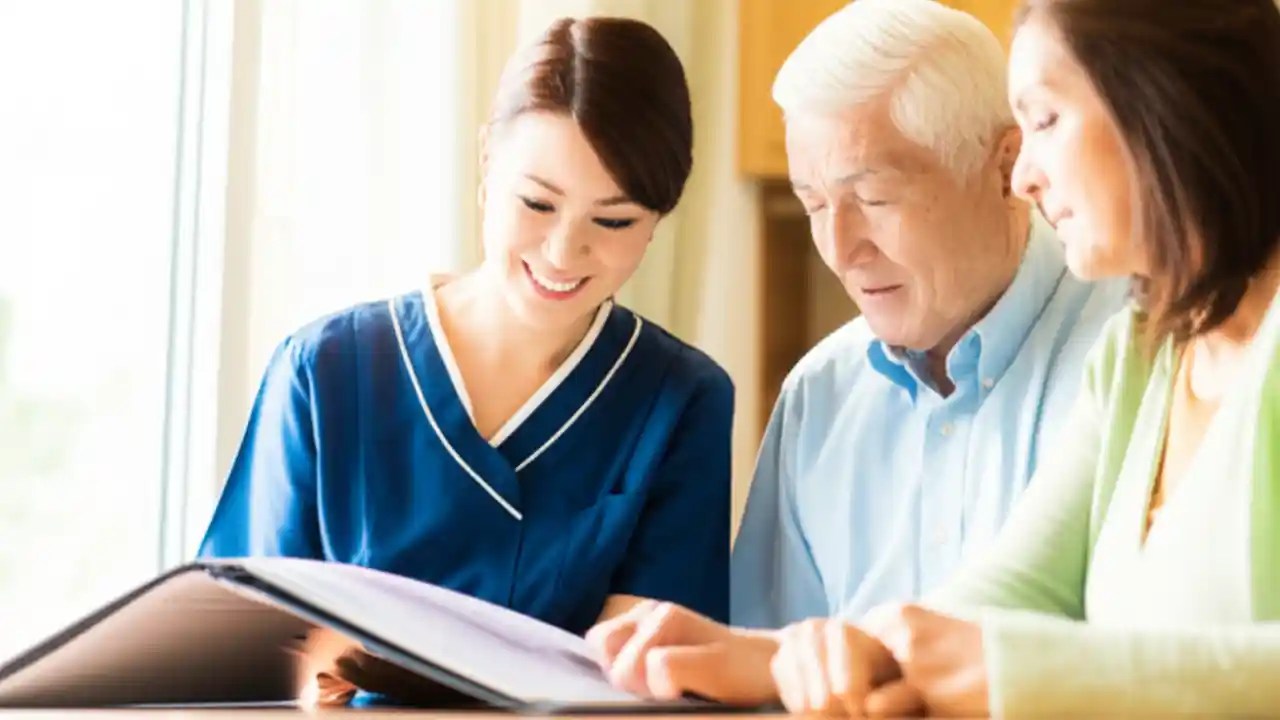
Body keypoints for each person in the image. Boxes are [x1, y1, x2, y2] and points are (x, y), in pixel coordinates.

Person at [593, 0, 1280, 716]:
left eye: (1045, 120)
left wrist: (1011, 674)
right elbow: (1010, 594)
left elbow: (1006, 654)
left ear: (1163, 108)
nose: (1027, 180)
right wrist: (774, 658)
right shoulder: (1141, 357)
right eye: (813, 205)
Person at [198, 16, 733, 701]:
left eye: (614, 221)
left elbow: (649, 684)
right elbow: (230, 660)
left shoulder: (680, 400)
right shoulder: (323, 374)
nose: (565, 253)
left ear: (659, 218)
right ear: (487, 163)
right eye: (537, 202)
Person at [733, 0, 1123, 629]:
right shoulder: (817, 398)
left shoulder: (1139, 353)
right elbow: (766, 673)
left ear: (1005, 168)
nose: (840, 251)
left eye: (873, 197)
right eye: (813, 205)